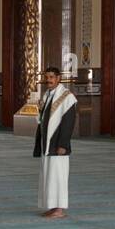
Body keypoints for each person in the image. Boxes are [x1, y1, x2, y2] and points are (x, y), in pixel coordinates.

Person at [33, 66, 77, 219]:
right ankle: (53, 207)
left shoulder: (67, 97)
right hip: (47, 145)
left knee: (58, 177)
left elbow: (68, 123)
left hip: (58, 146)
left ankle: (60, 210)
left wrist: (63, 145)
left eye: (51, 77)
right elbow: (44, 120)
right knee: (49, 176)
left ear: (58, 78)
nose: (49, 80)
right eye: (47, 77)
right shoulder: (47, 95)